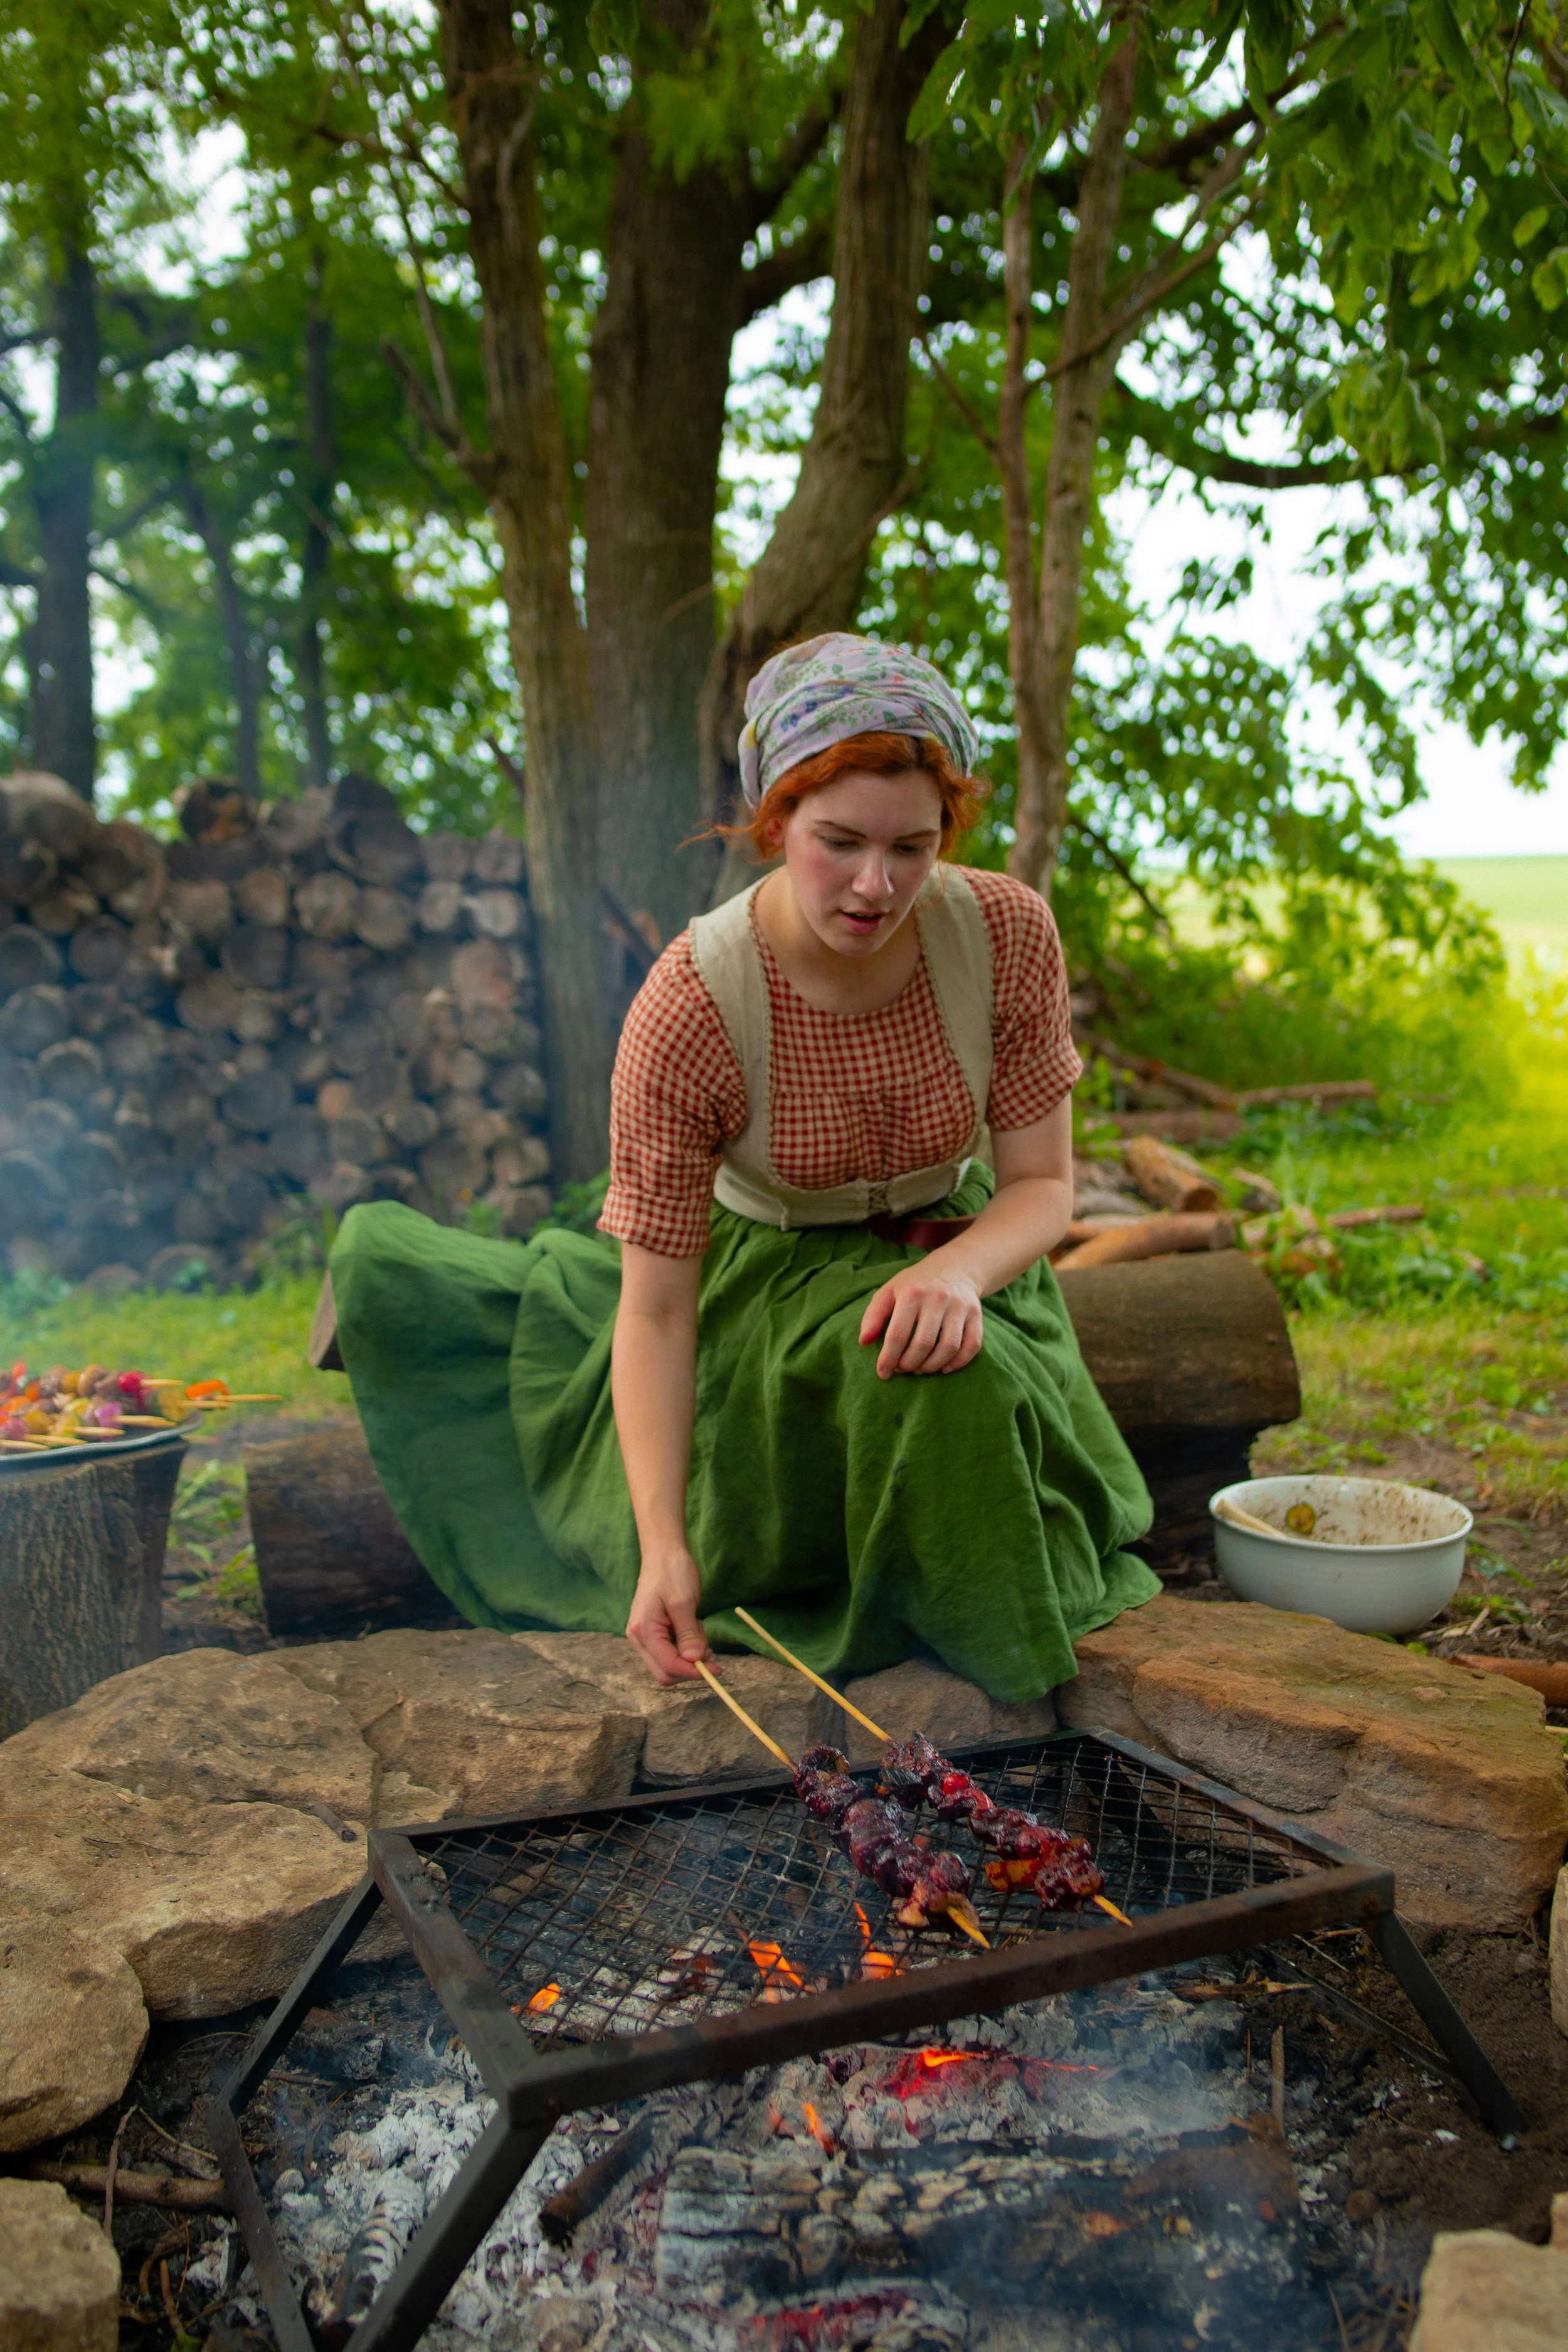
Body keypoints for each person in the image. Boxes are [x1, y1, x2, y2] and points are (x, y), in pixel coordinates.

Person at [330, 633, 1158, 1700]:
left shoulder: (1003, 933)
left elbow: (1043, 1184)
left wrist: (959, 1274)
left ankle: (1015, 1692)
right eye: (839, 841)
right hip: (766, 1284)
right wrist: (662, 1544)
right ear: (773, 822)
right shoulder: (693, 1005)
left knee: (955, 1369)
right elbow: (661, 1313)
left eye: (914, 846)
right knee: (925, 1394)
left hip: (964, 1257)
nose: (877, 883)